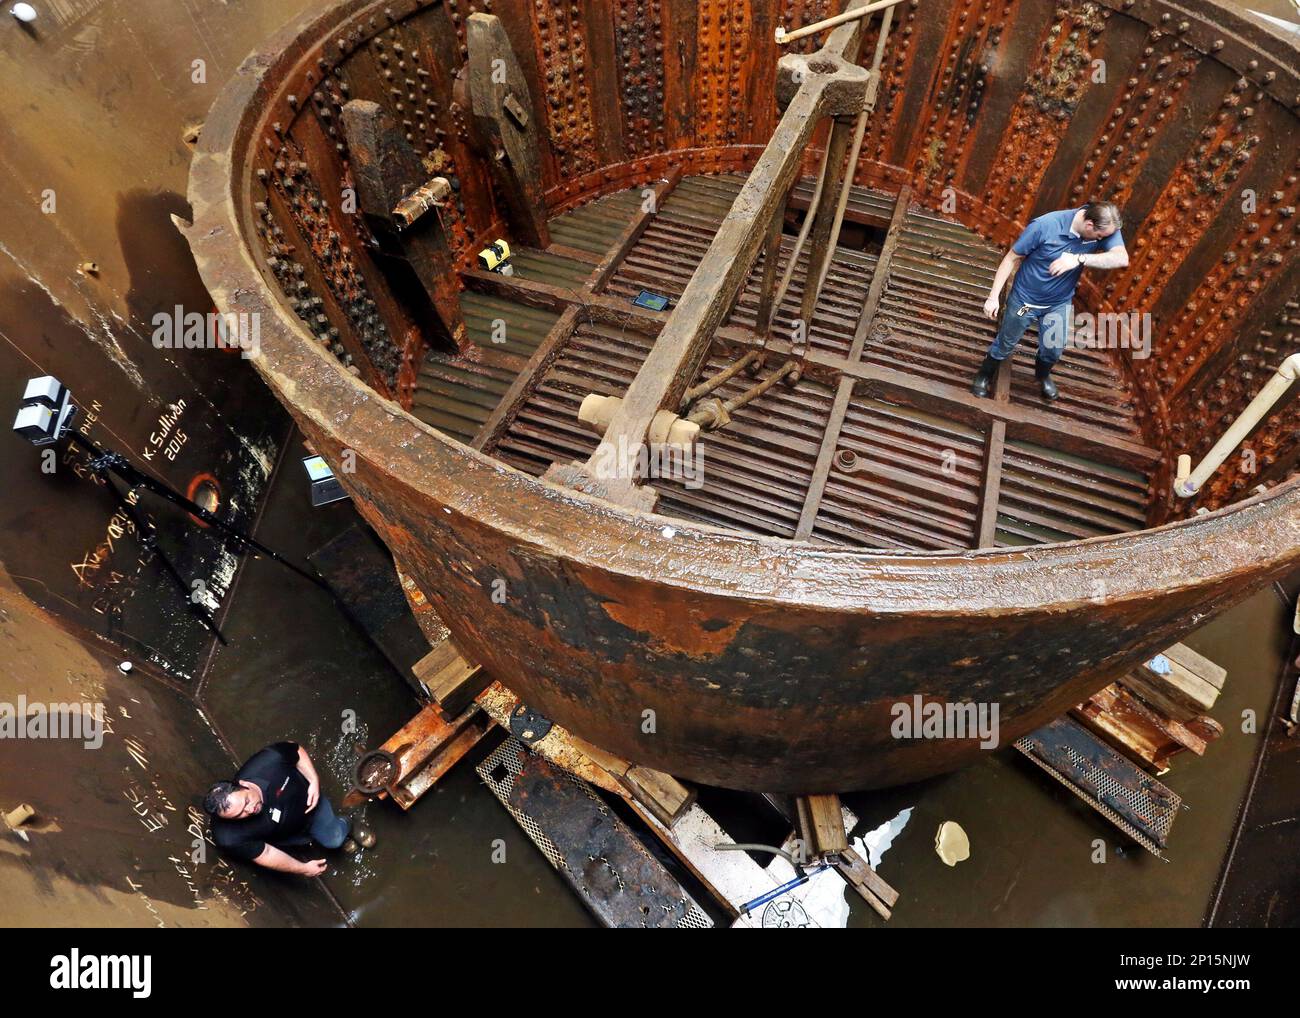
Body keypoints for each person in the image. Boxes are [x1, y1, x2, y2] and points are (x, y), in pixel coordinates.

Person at [972, 201, 1128, 401]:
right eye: (1099, 237)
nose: (1102, 241)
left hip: (1058, 302)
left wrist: (1078, 259)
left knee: (1053, 349)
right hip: (1025, 302)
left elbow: (1121, 259)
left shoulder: (1106, 224)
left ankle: (1042, 375)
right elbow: (1012, 258)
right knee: (1007, 341)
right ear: (1089, 225)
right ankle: (985, 373)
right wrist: (993, 297)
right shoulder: (1045, 226)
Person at [202, 740, 349, 877]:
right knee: (306, 842)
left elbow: (295, 749)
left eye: (246, 801)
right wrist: (304, 868)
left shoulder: (269, 762)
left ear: (243, 784)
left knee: (334, 840)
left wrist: (313, 780)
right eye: (238, 815)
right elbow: (266, 853)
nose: (249, 810)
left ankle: (347, 824)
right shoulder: (228, 837)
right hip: (288, 834)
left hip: (312, 804)